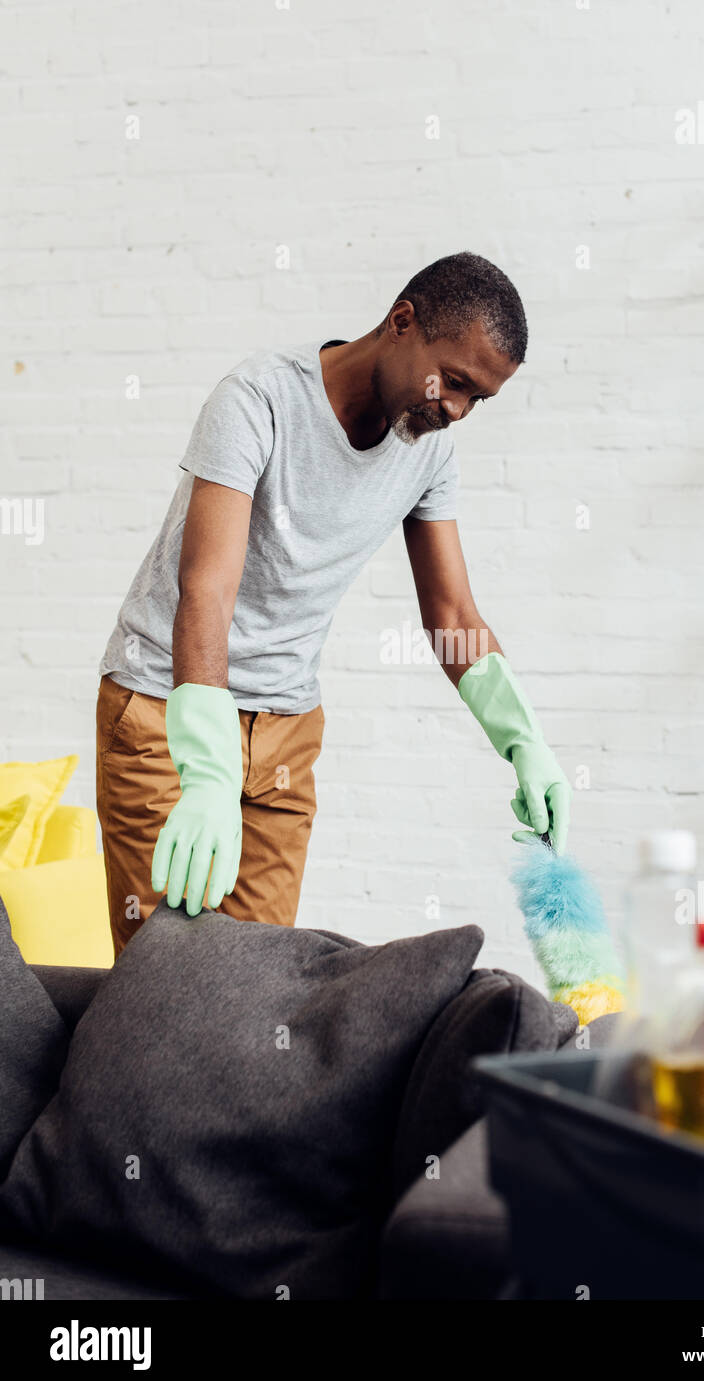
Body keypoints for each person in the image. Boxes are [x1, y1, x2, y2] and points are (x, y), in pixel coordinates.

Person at [96, 250, 571, 957]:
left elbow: (452, 617)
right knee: (160, 984)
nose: (457, 411)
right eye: (457, 382)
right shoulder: (258, 399)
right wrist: (207, 769)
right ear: (401, 321)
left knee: (259, 987)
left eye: (480, 400)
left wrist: (522, 739)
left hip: (285, 733)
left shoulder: (428, 454)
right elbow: (207, 586)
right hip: (168, 715)